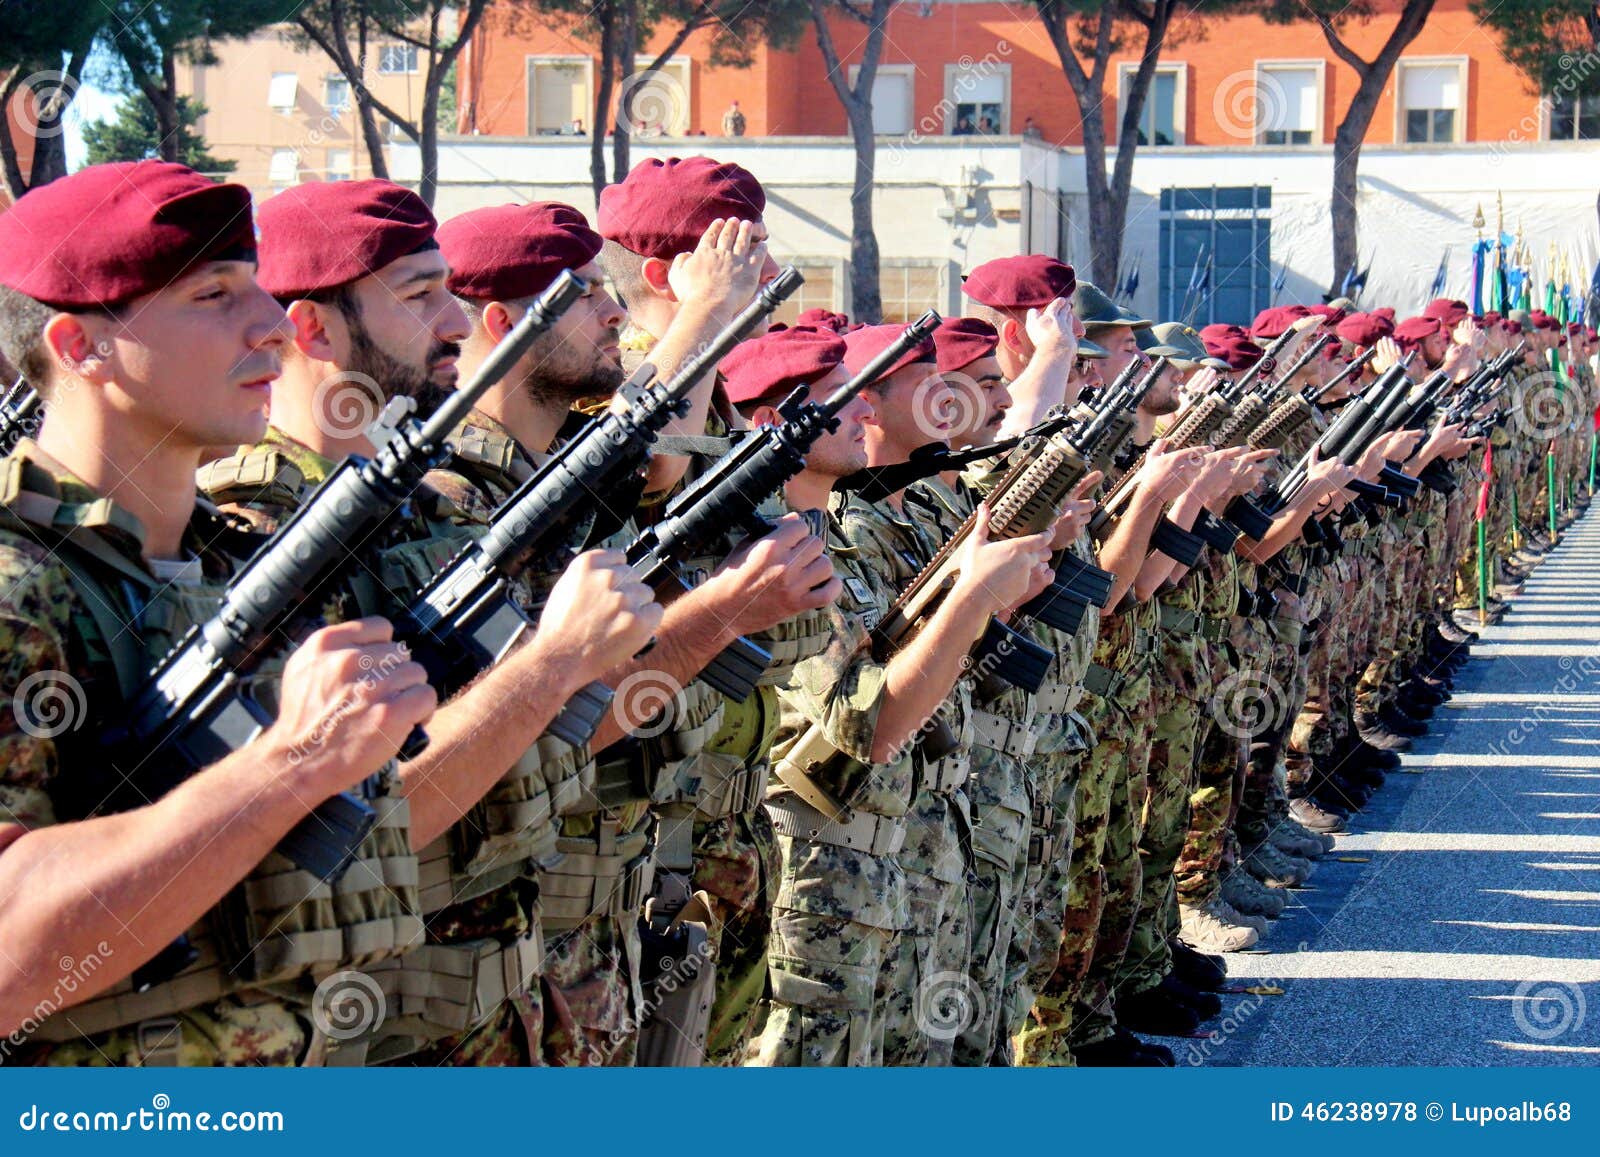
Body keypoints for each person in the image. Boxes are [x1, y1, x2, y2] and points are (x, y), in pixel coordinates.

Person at [208, 178, 664, 1066]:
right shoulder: (264, 536)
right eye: (420, 297)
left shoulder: (421, 513)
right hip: (381, 1032)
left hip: (503, 1002)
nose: (454, 323)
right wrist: (556, 664)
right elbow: (348, 825)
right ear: (314, 328)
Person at [0, 160, 436, 1065]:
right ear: (81, 347)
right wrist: (292, 762)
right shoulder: (18, 589)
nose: (275, 328)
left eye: (261, 291)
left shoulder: (242, 563)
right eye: (214, 294)